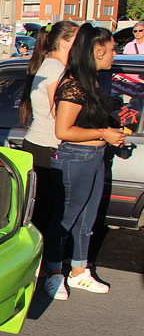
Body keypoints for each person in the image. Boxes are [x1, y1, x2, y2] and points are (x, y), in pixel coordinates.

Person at [43, 24, 126, 300]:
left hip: (95, 156)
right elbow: (63, 131)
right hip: (75, 158)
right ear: (98, 50)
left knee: (87, 219)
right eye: (112, 49)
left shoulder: (93, 81)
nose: (115, 54)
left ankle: (79, 272)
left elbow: (89, 121)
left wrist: (112, 129)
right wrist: (104, 133)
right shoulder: (73, 84)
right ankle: (54, 273)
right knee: (65, 219)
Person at [18, 21, 79, 236]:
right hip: (47, 147)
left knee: (41, 210)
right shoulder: (56, 69)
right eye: (78, 39)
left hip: (40, 143)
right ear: (64, 43)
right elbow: (58, 112)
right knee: (45, 212)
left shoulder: (50, 65)